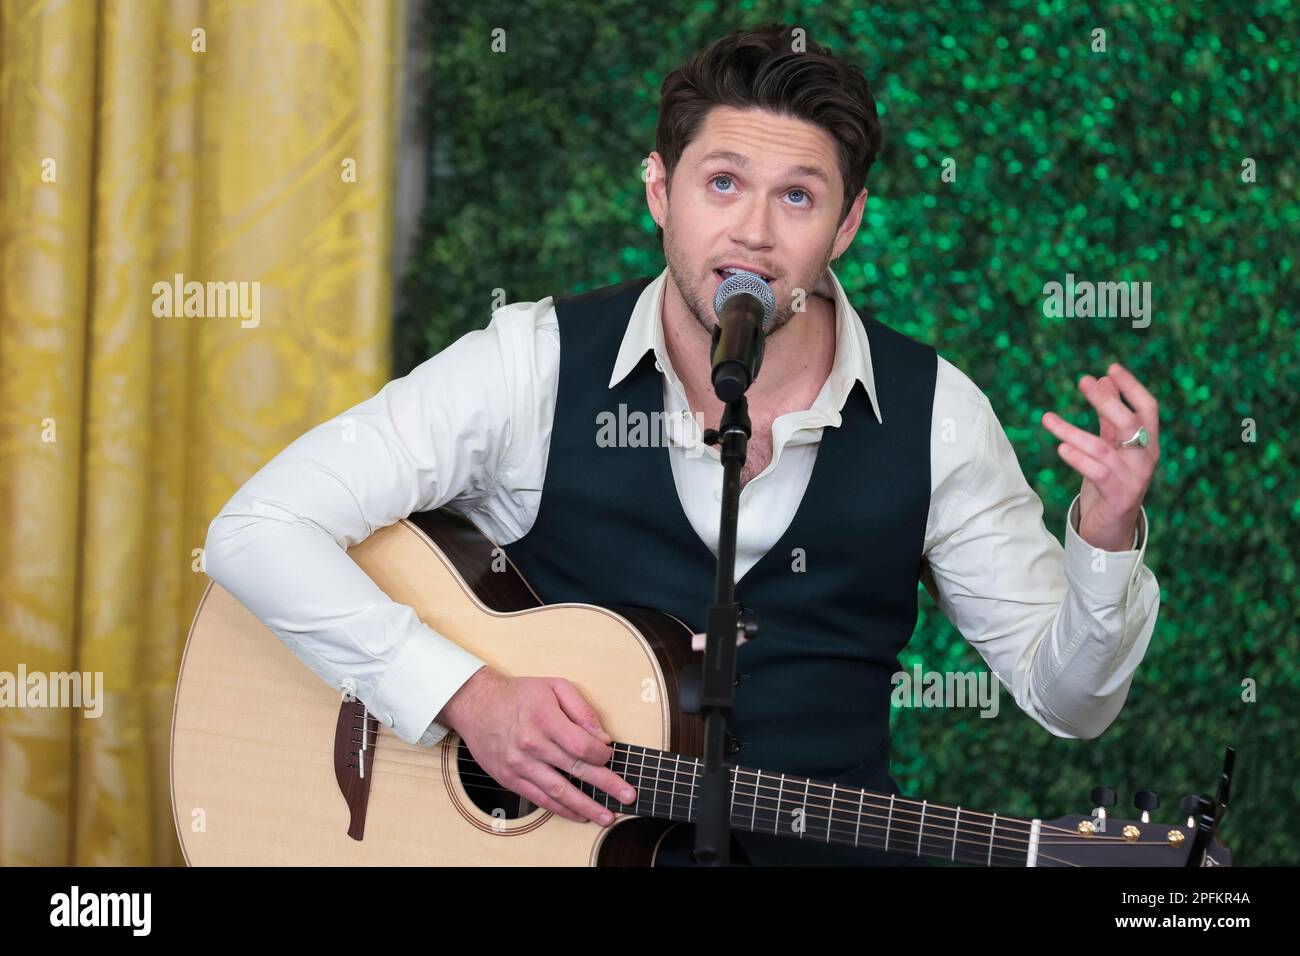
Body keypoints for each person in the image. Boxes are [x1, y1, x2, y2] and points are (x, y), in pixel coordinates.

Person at [203, 24, 1161, 867]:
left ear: (849, 224)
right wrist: (462, 696)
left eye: (798, 198)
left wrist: (1107, 535)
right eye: (723, 183)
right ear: (661, 192)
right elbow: (256, 529)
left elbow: (1069, 702)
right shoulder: (530, 365)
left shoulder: (937, 414)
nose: (752, 233)